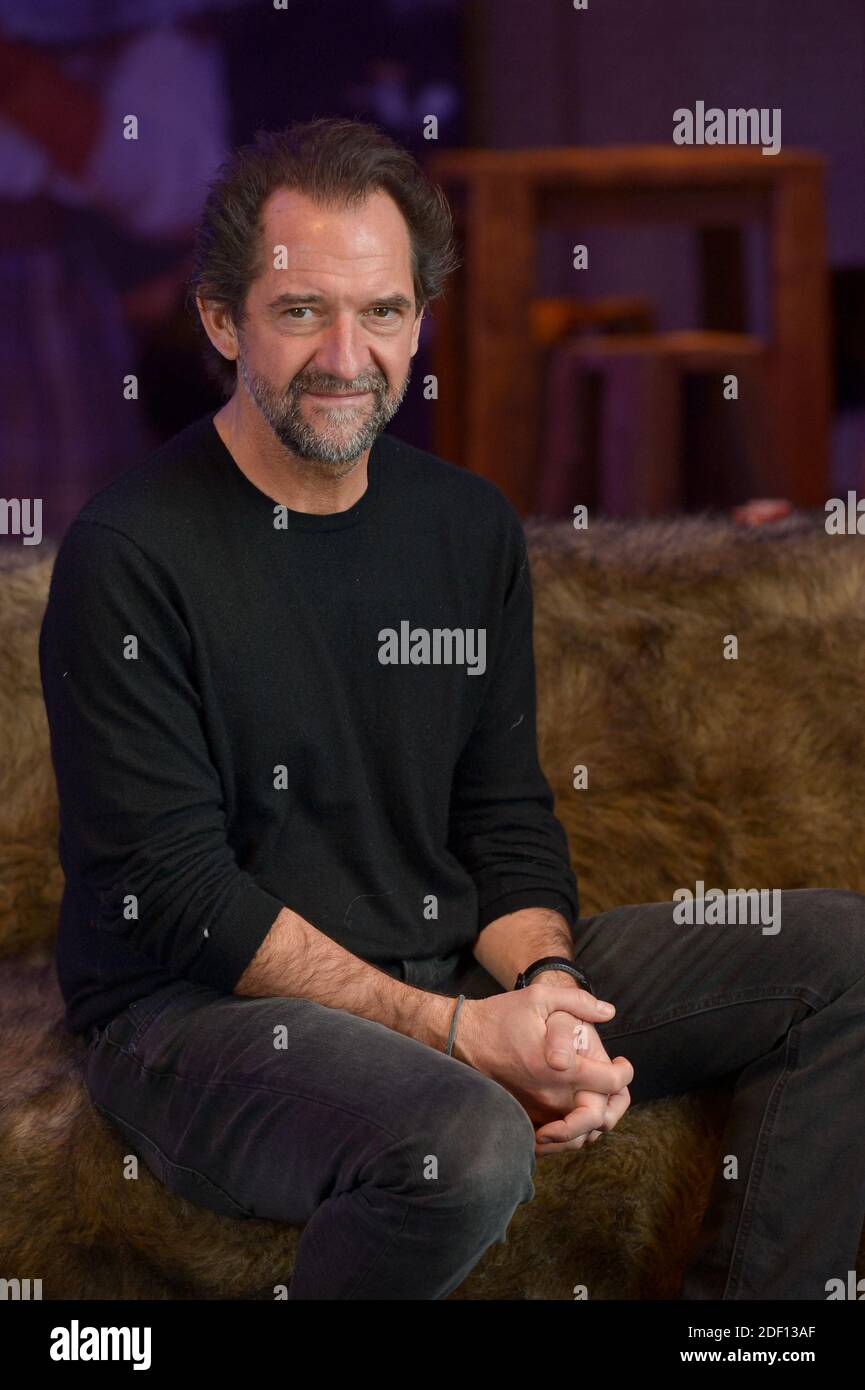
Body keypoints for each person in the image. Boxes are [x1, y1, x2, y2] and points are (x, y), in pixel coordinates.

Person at [39, 117, 865, 1301]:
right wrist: (459, 1037)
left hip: (440, 963)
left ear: (419, 319)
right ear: (223, 322)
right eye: (298, 311)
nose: (345, 354)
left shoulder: (465, 526)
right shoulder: (132, 552)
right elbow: (177, 892)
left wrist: (542, 997)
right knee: (460, 1144)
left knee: (842, 955)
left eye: (381, 312)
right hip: (195, 1017)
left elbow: (501, 812)